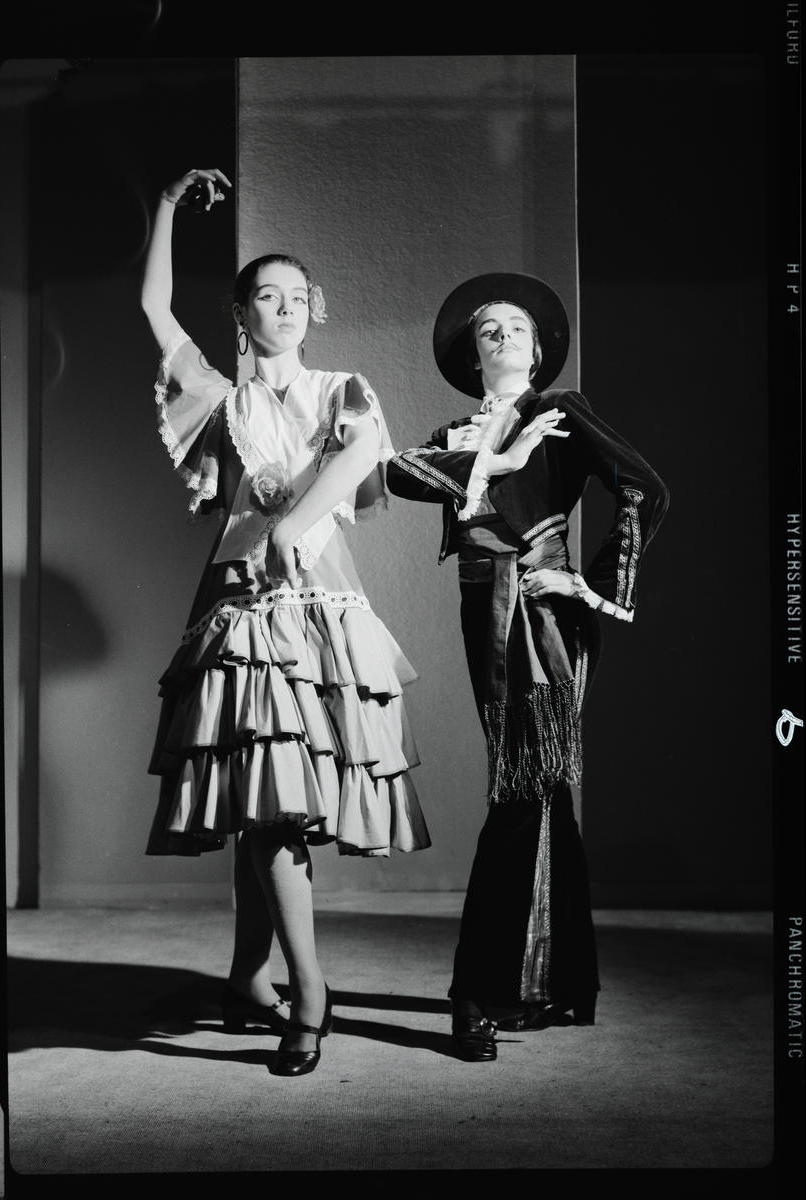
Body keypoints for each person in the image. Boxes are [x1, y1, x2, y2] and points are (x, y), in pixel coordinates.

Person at [141, 167, 429, 1077]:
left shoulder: (343, 387)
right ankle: (286, 988)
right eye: (267, 297)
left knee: (272, 808)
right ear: (242, 314)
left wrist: (295, 530)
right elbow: (154, 307)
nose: (286, 309)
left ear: (318, 308)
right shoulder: (220, 402)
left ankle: (273, 985)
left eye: (298, 297)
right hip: (234, 609)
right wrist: (164, 209)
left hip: (316, 609)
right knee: (258, 804)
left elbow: (362, 458)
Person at [386, 272, 668, 1062]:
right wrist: (500, 457)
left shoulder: (563, 413)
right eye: (488, 329)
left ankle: (473, 993)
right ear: (474, 358)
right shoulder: (461, 432)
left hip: (545, 619)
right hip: (488, 614)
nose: (503, 333)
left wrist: (590, 584)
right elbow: (397, 473)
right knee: (540, 791)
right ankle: (556, 984)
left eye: (515, 326)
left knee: (524, 791)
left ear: (539, 350)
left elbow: (647, 490)